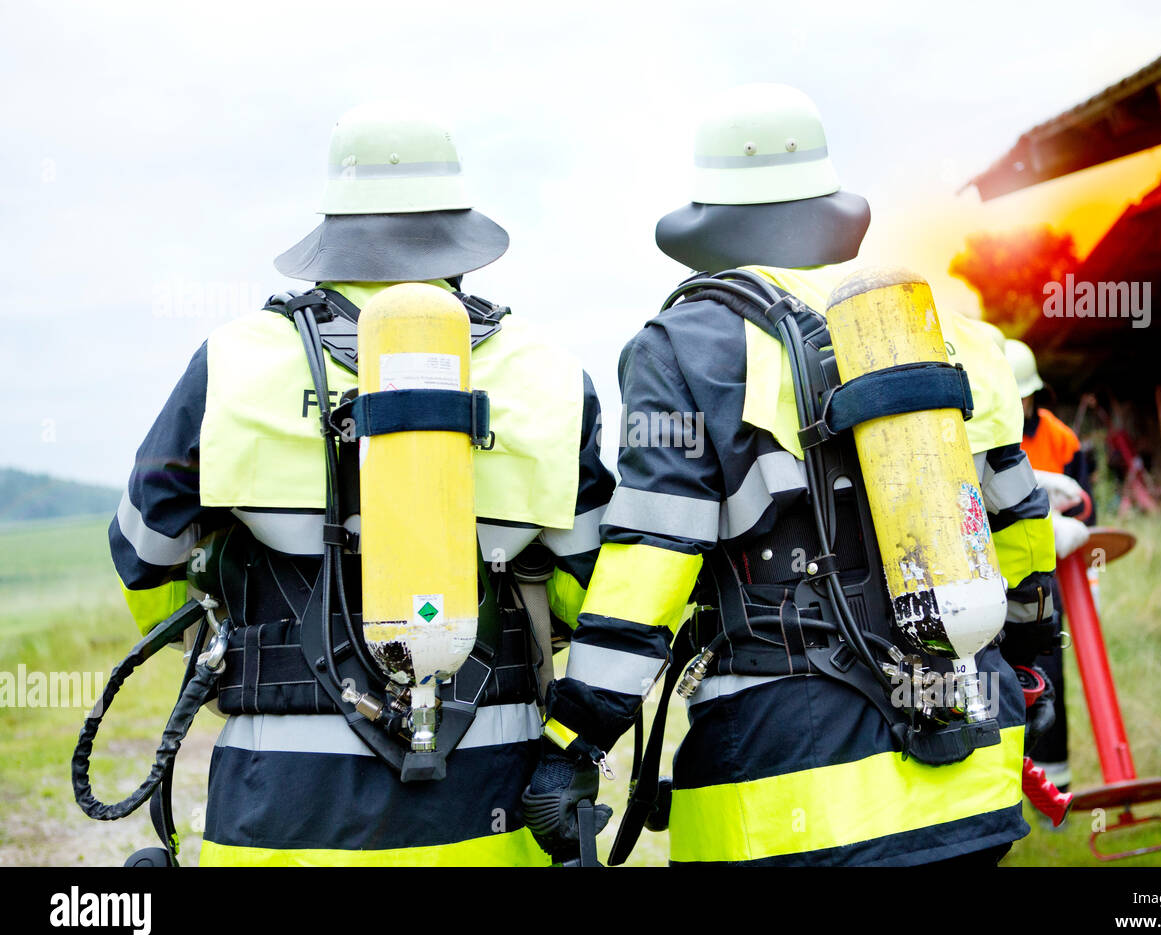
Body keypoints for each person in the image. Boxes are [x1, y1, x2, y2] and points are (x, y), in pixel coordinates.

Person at [524, 84, 1061, 865]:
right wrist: (1037, 667)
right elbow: (1018, 528)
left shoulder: (685, 345)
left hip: (788, 793)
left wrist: (577, 738)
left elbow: (653, 562)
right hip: (973, 770)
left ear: (711, 219)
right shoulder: (941, 326)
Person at [108, 101, 613, 865]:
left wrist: (215, 643)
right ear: (460, 236)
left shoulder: (233, 361)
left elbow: (144, 552)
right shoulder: (547, 374)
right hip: (489, 807)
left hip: (279, 815)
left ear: (333, 227)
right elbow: (591, 593)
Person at [1006, 338, 1092, 795]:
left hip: (1050, 576)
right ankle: (1011, 781)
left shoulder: (1061, 438)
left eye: (1024, 393)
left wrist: (1060, 521)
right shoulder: (987, 437)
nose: (1019, 403)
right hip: (1002, 576)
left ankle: (1056, 781)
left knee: (1047, 672)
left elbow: (1086, 506)